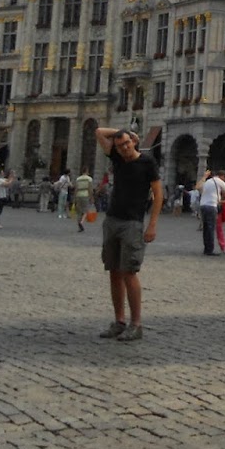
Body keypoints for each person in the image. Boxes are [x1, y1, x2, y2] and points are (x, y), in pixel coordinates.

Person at [96, 127, 163, 341]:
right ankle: (119, 321)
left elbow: (159, 194)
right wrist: (120, 133)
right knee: (114, 271)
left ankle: (136, 324)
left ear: (133, 142)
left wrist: (152, 224)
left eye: (126, 143)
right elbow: (98, 131)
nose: (124, 148)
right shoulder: (116, 157)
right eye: (120, 145)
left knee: (129, 272)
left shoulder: (147, 163)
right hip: (112, 219)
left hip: (133, 223)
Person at [197, 167, 225, 256]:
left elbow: (197, 187)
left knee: (206, 228)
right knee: (211, 228)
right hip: (211, 207)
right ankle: (209, 250)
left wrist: (204, 177)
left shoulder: (207, 181)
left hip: (203, 206)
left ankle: (206, 248)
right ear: (223, 176)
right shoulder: (221, 183)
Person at [73, 169, 94, 233]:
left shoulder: (78, 179)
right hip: (86, 195)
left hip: (79, 195)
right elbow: (90, 188)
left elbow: (76, 188)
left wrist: (75, 197)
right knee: (86, 210)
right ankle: (82, 222)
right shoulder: (89, 179)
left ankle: (79, 224)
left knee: (79, 211)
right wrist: (91, 197)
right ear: (87, 172)